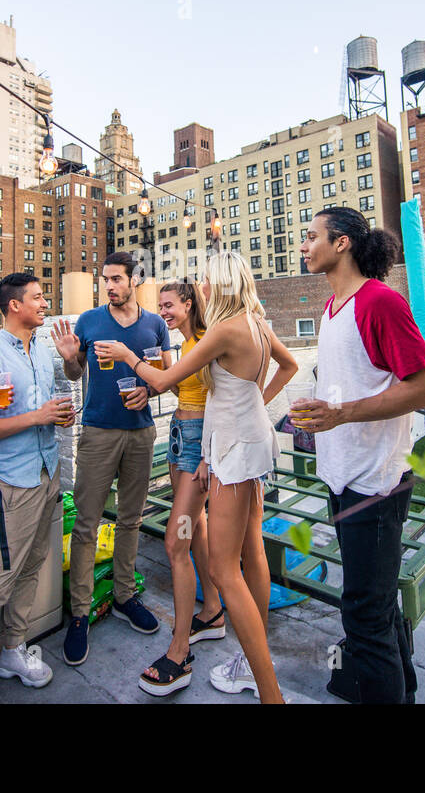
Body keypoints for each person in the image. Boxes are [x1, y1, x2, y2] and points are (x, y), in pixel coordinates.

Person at [96, 250, 298, 704]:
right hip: (248, 442)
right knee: (251, 548)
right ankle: (249, 660)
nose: (201, 287)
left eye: (206, 282)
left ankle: (269, 693)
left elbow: (164, 382)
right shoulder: (257, 323)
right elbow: (289, 366)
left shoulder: (224, 330)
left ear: (221, 284)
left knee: (225, 571)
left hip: (227, 449)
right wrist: (254, 405)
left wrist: (129, 355)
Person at [293, 207, 425, 704]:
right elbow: (350, 384)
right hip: (343, 478)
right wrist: (320, 410)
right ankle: (406, 690)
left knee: (364, 614)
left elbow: (424, 387)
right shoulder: (334, 309)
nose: (303, 246)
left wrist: (342, 413)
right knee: (377, 607)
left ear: (341, 244)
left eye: (311, 236)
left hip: (375, 483)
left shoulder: (380, 302)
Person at [0, 273, 77, 703]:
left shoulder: (43, 352)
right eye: (38, 298)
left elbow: (46, 408)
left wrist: (60, 416)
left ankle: (12, 652)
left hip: (48, 474)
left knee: (31, 567)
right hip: (12, 483)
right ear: (14, 306)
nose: (45, 304)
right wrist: (38, 417)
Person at [50, 251, 171, 666]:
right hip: (98, 432)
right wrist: (70, 356)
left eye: (117, 279)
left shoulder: (155, 325)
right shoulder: (88, 321)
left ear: (135, 280)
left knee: (131, 519)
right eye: (105, 279)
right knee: (86, 523)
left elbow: (165, 376)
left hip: (140, 432)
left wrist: (149, 392)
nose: (110, 286)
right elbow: (73, 374)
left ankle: (123, 596)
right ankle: (80, 614)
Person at [137, 280, 225, 696]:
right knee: (196, 527)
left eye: (169, 306)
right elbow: (181, 387)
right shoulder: (188, 343)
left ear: (190, 304)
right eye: (160, 306)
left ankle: (179, 651)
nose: (164, 313)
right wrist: (156, 381)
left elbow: (221, 401)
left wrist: (208, 455)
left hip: (196, 444)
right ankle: (212, 611)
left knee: (176, 542)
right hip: (178, 433)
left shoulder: (208, 340)